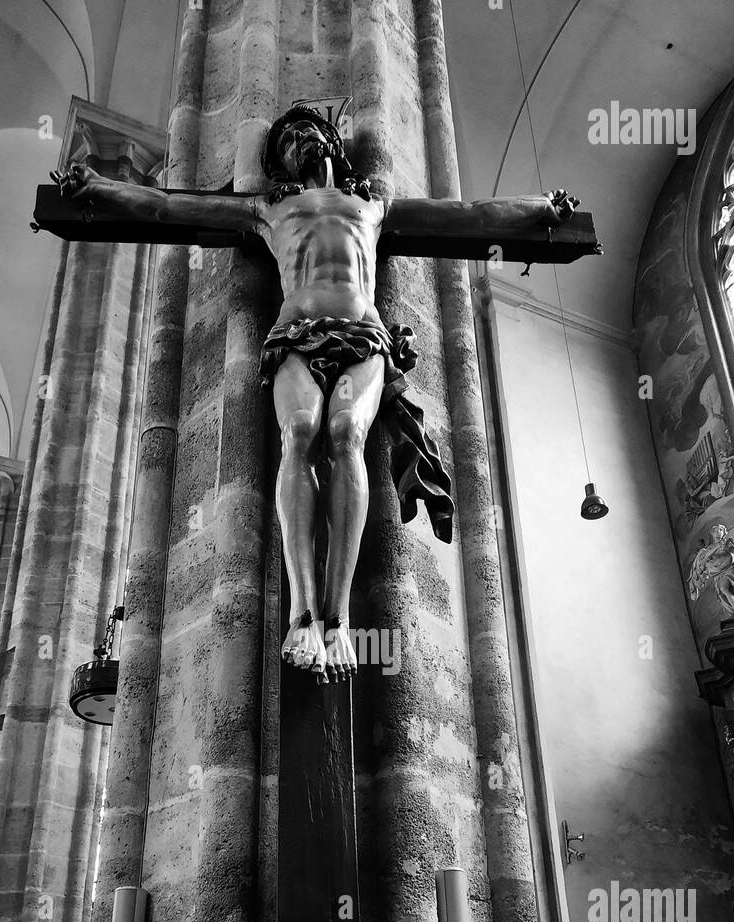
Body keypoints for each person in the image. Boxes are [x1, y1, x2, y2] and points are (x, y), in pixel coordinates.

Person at [59, 104, 576, 681]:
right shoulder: (268, 206)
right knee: (300, 432)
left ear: (330, 141)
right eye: (287, 140)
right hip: (294, 333)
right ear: (279, 161)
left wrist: (541, 211)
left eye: (307, 131)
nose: (299, 140)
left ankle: (338, 615)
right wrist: (99, 188)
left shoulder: (373, 207)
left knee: (347, 432)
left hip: (365, 335)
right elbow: (166, 205)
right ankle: (303, 614)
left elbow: (474, 215)